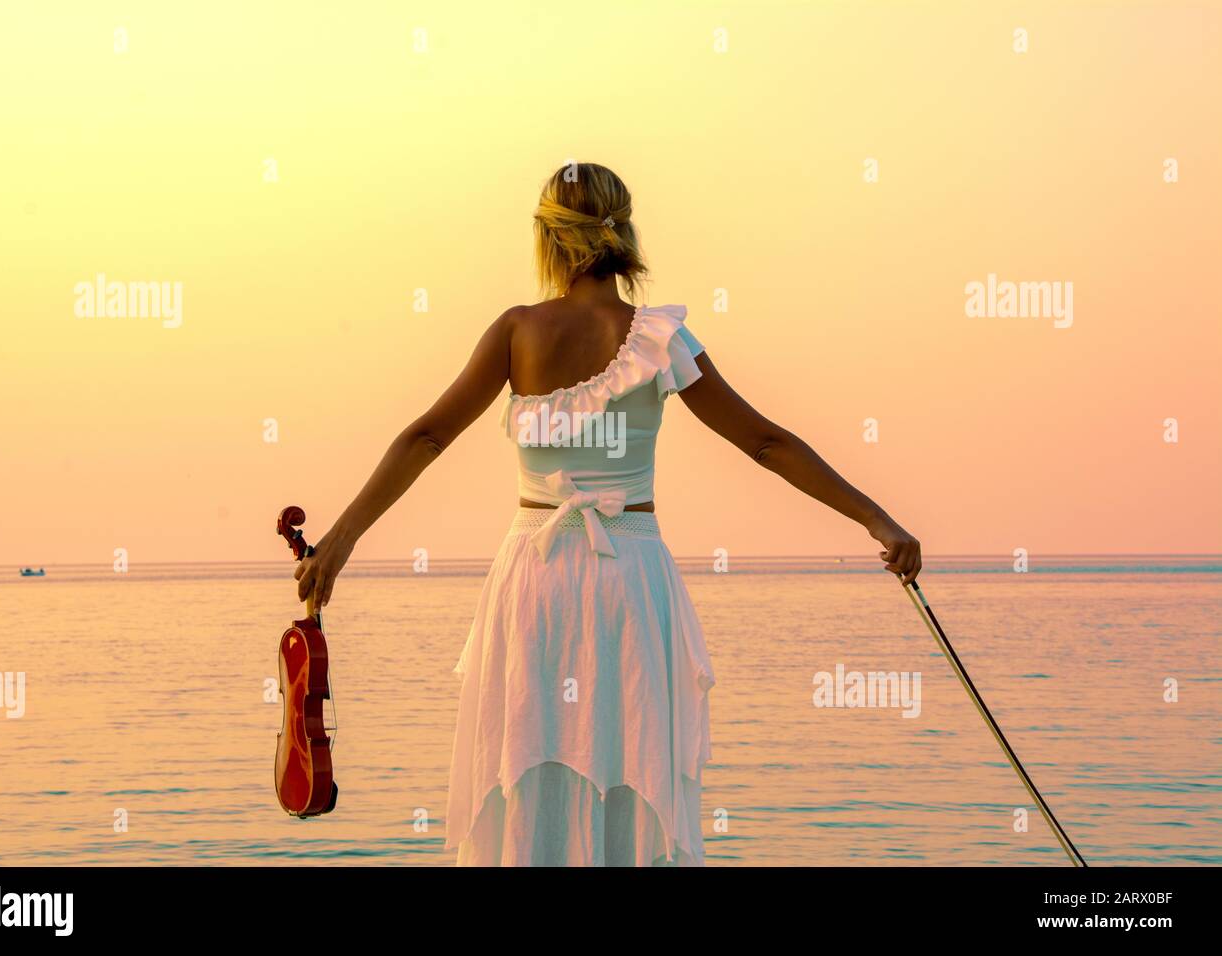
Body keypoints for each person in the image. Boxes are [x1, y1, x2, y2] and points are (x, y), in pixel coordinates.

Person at [294, 162, 921, 866]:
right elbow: (765, 442)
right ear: (622, 231)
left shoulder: (517, 331)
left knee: (531, 761)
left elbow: (426, 437)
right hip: (629, 578)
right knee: (630, 760)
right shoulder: (659, 337)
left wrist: (339, 544)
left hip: (532, 579)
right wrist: (877, 520)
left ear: (549, 238)